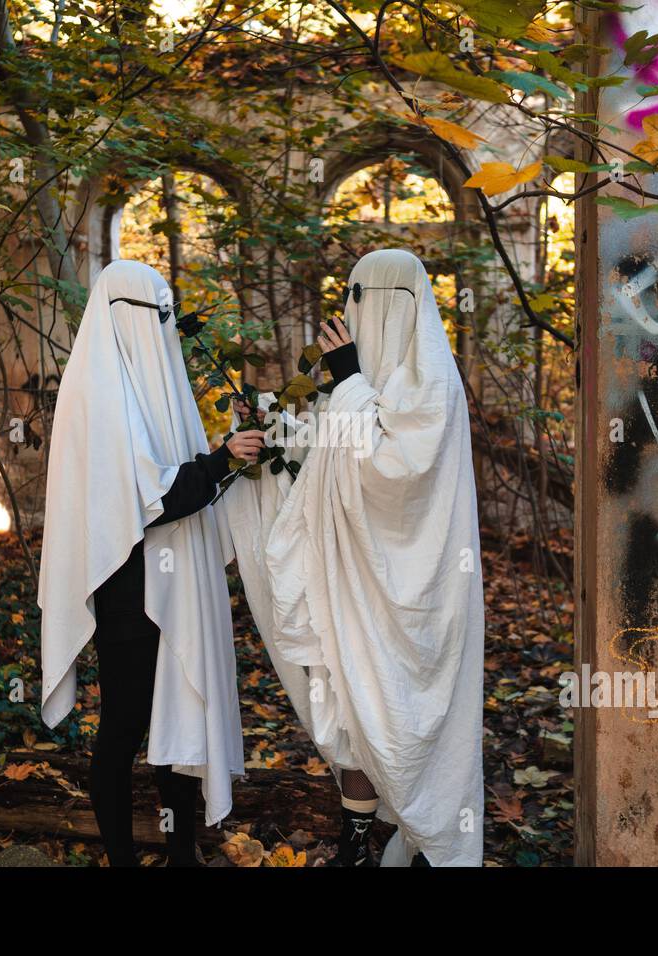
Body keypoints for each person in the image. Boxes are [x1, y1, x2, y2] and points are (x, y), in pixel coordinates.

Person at [223, 249, 485, 866]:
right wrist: (270, 432)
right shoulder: (357, 382)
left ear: (403, 303)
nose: (353, 311)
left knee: (397, 704)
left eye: (365, 298)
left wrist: (346, 383)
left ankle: (425, 833)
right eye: (351, 295)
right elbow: (326, 461)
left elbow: (394, 469)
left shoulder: (432, 385)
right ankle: (357, 839)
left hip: (417, 595)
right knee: (347, 699)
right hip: (350, 582)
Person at [38, 259, 266, 866]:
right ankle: (120, 859)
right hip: (127, 590)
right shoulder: (97, 391)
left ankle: (182, 853)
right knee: (123, 728)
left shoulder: (152, 383)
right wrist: (220, 461)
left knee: (177, 716)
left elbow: (177, 472)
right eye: (153, 315)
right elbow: (152, 498)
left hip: (174, 581)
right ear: (122, 315)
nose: (162, 328)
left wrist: (230, 454)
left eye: (168, 314)